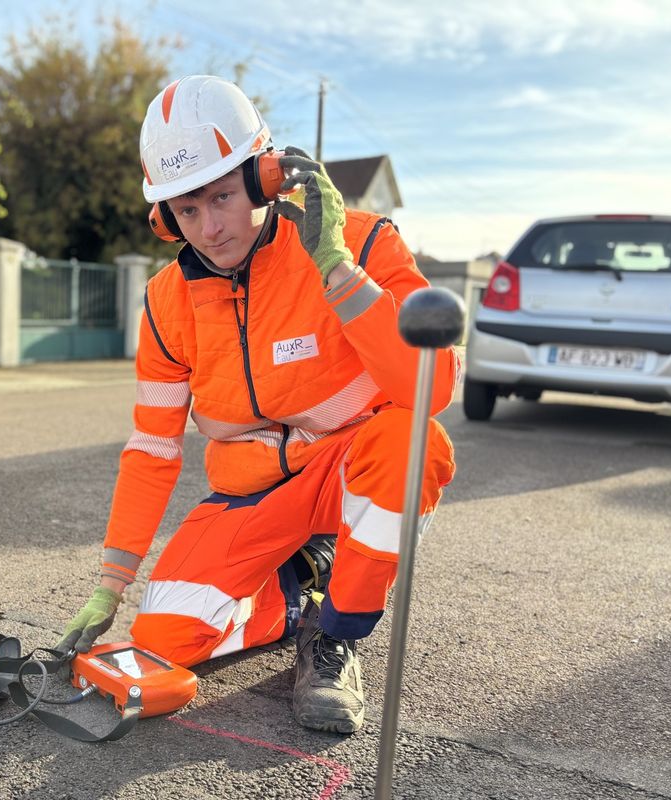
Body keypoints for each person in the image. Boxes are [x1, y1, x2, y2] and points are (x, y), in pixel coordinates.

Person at [56, 75, 458, 734]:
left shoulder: (360, 241)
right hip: (252, 501)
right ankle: (303, 584)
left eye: (221, 197)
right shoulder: (164, 302)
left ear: (266, 177)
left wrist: (336, 272)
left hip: (345, 477)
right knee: (164, 634)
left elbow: (432, 390)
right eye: (186, 210)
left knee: (414, 447)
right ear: (164, 218)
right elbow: (152, 451)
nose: (209, 228)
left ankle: (335, 636)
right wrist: (112, 581)